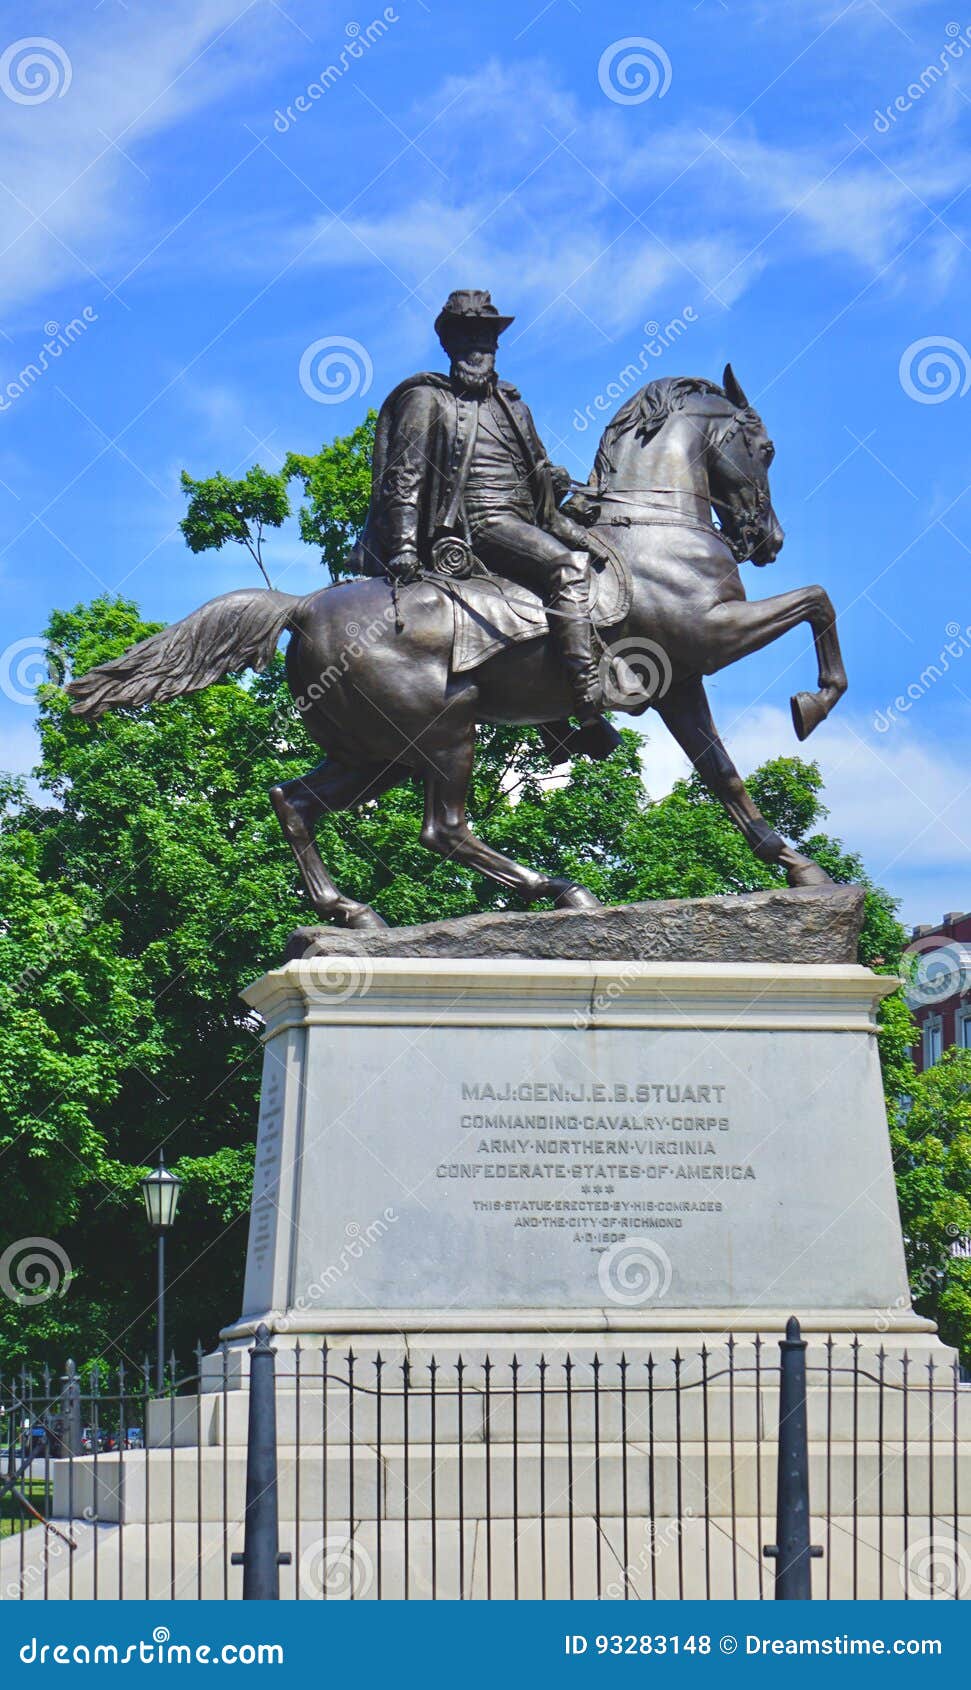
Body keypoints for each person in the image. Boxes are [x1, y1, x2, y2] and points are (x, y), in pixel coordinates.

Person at [350, 289, 642, 727]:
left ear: (496, 345)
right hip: (478, 524)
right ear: (449, 344)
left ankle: (552, 720)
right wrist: (404, 546)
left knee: (604, 556)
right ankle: (586, 691)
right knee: (566, 567)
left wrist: (554, 478)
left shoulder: (513, 404)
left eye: (484, 337)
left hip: (530, 519)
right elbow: (405, 476)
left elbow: (536, 468)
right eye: (466, 336)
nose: (477, 346)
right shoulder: (427, 398)